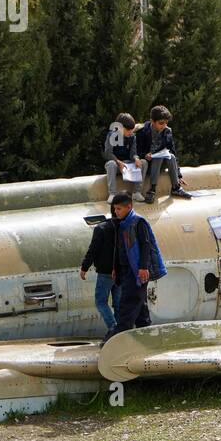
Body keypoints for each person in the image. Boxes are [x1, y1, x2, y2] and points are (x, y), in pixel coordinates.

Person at [105, 192, 166, 341]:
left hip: (137, 271)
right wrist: (116, 269)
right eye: (115, 209)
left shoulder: (138, 222)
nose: (116, 212)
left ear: (129, 207)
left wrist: (143, 267)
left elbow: (145, 245)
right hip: (127, 271)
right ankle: (146, 336)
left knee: (129, 304)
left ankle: (115, 339)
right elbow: (120, 250)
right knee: (140, 307)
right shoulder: (121, 224)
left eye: (119, 209)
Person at [134, 105, 193, 204]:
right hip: (147, 165)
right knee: (159, 156)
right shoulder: (142, 131)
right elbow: (136, 151)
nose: (164, 126)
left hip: (160, 163)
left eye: (166, 123)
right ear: (152, 121)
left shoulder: (167, 131)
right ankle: (152, 189)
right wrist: (145, 155)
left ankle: (176, 187)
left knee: (170, 156)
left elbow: (172, 151)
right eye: (161, 123)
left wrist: (178, 175)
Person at [79, 213, 121, 332]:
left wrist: (84, 267)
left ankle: (113, 327)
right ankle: (121, 330)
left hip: (106, 272)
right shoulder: (124, 226)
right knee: (118, 303)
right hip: (121, 270)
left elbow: (93, 249)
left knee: (101, 302)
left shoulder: (101, 228)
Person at [103, 113, 143, 197]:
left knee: (143, 162)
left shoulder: (132, 137)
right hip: (116, 164)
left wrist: (136, 158)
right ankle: (112, 194)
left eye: (132, 129)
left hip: (127, 164)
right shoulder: (112, 135)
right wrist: (118, 162)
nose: (131, 132)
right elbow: (107, 153)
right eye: (128, 130)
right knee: (111, 164)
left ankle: (137, 192)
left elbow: (133, 153)